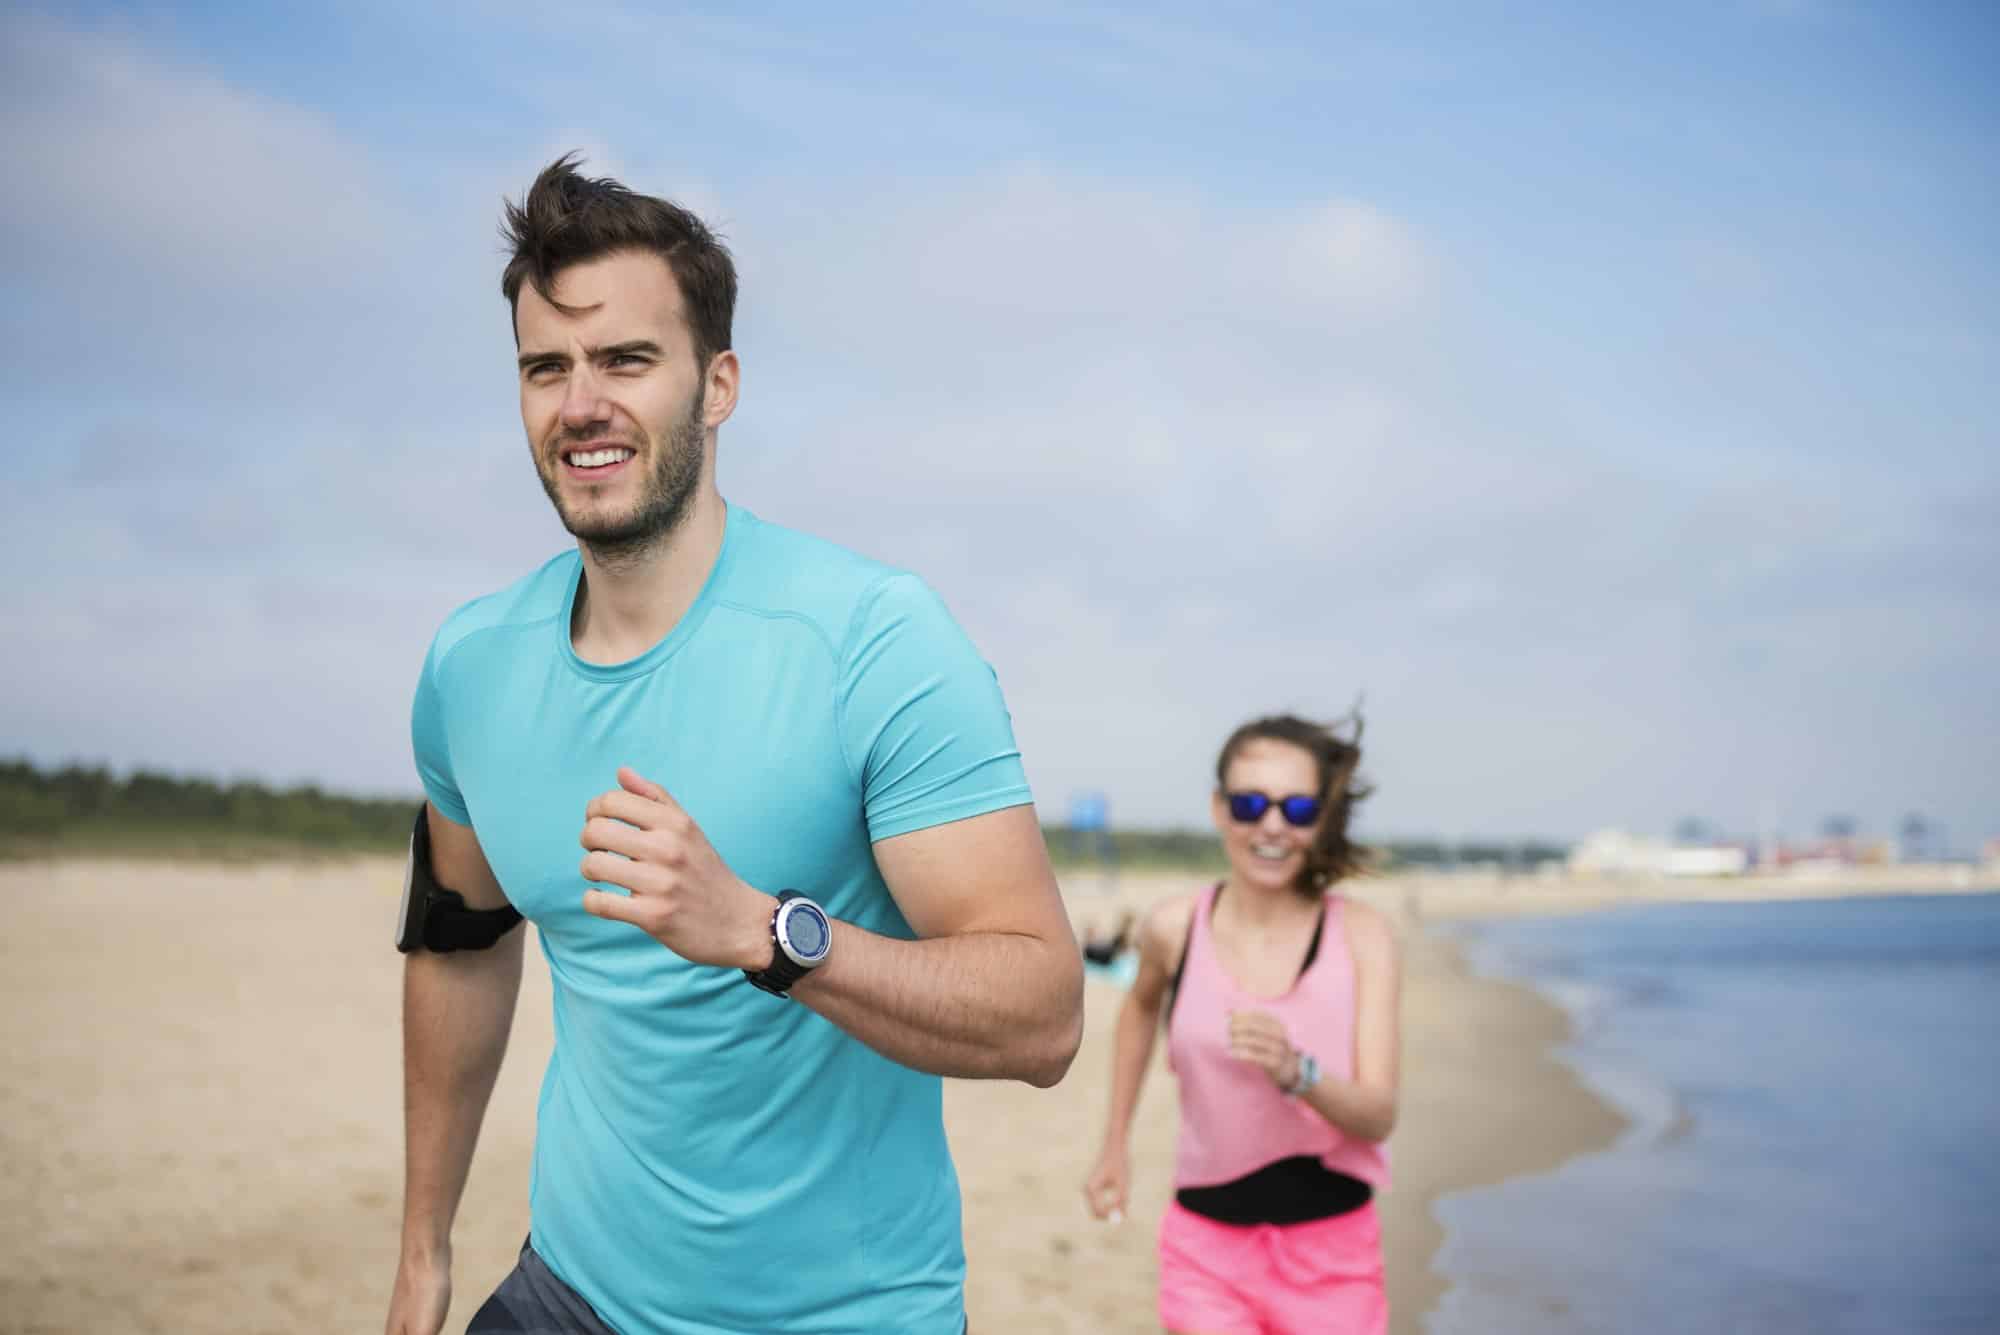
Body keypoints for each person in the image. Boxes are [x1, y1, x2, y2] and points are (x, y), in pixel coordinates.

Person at [382, 155, 1085, 1335]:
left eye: (624, 361)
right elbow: (458, 941)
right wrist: (422, 1250)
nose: (580, 404)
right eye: (545, 368)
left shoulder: (872, 639)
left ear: (717, 386)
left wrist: (767, 935)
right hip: (570, 1292)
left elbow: (1044, 1015)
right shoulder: (471, 667)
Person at [1083, 713, 1399, 1335]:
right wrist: (1114, 1145)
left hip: (1334, 1261)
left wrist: (1298, 1073)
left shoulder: (1363, 937)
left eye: (1297, 808)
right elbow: (1140, 1008)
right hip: (1205, 1256)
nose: (1272, 825)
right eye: (1251, 803)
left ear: (1322, 818)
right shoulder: (1174, 927)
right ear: (1219, 808)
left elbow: (1380, 1115)